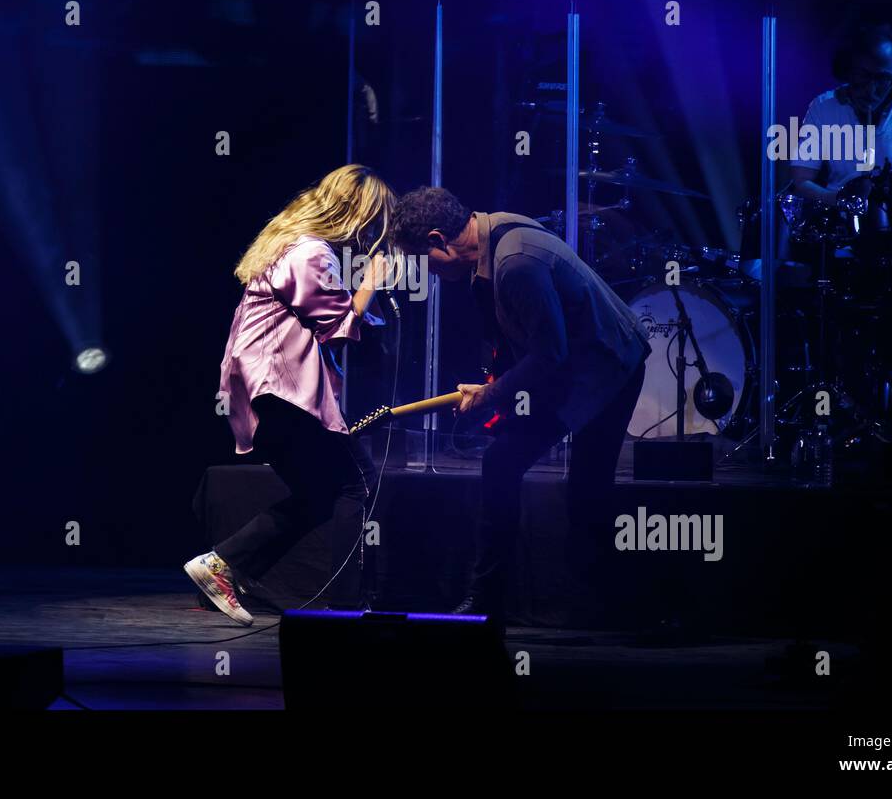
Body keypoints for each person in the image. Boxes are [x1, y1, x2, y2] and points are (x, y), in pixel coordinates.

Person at [390, 187, 651, 620]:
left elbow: (550, 355)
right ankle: (503, 598)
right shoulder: (490, 238)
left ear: (438, 239)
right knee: (509, 466)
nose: (430, 273)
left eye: (424, 259)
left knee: (582, 488)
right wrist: (495, 385)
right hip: (579, 365)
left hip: (610, 368)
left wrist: (490, 395)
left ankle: (631, 607)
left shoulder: (516, 263)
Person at [185, 165, 395, 625]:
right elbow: (337, 324)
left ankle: (223, 564)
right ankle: (347, 609)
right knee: (355, 482)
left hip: (267, 388)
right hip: (279, 389)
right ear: (355, 212)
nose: (372, 233)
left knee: (321, 491)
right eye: (374, 219)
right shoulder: (310, 252)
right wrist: (372, 281)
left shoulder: (290, 243)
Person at [790, 23, 892, 286]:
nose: (871, 89)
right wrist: (843, 202)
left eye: (882, 79)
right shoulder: (824, 107)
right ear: (846, 70)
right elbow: (801, 181)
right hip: (842, 227)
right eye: (862, 76)